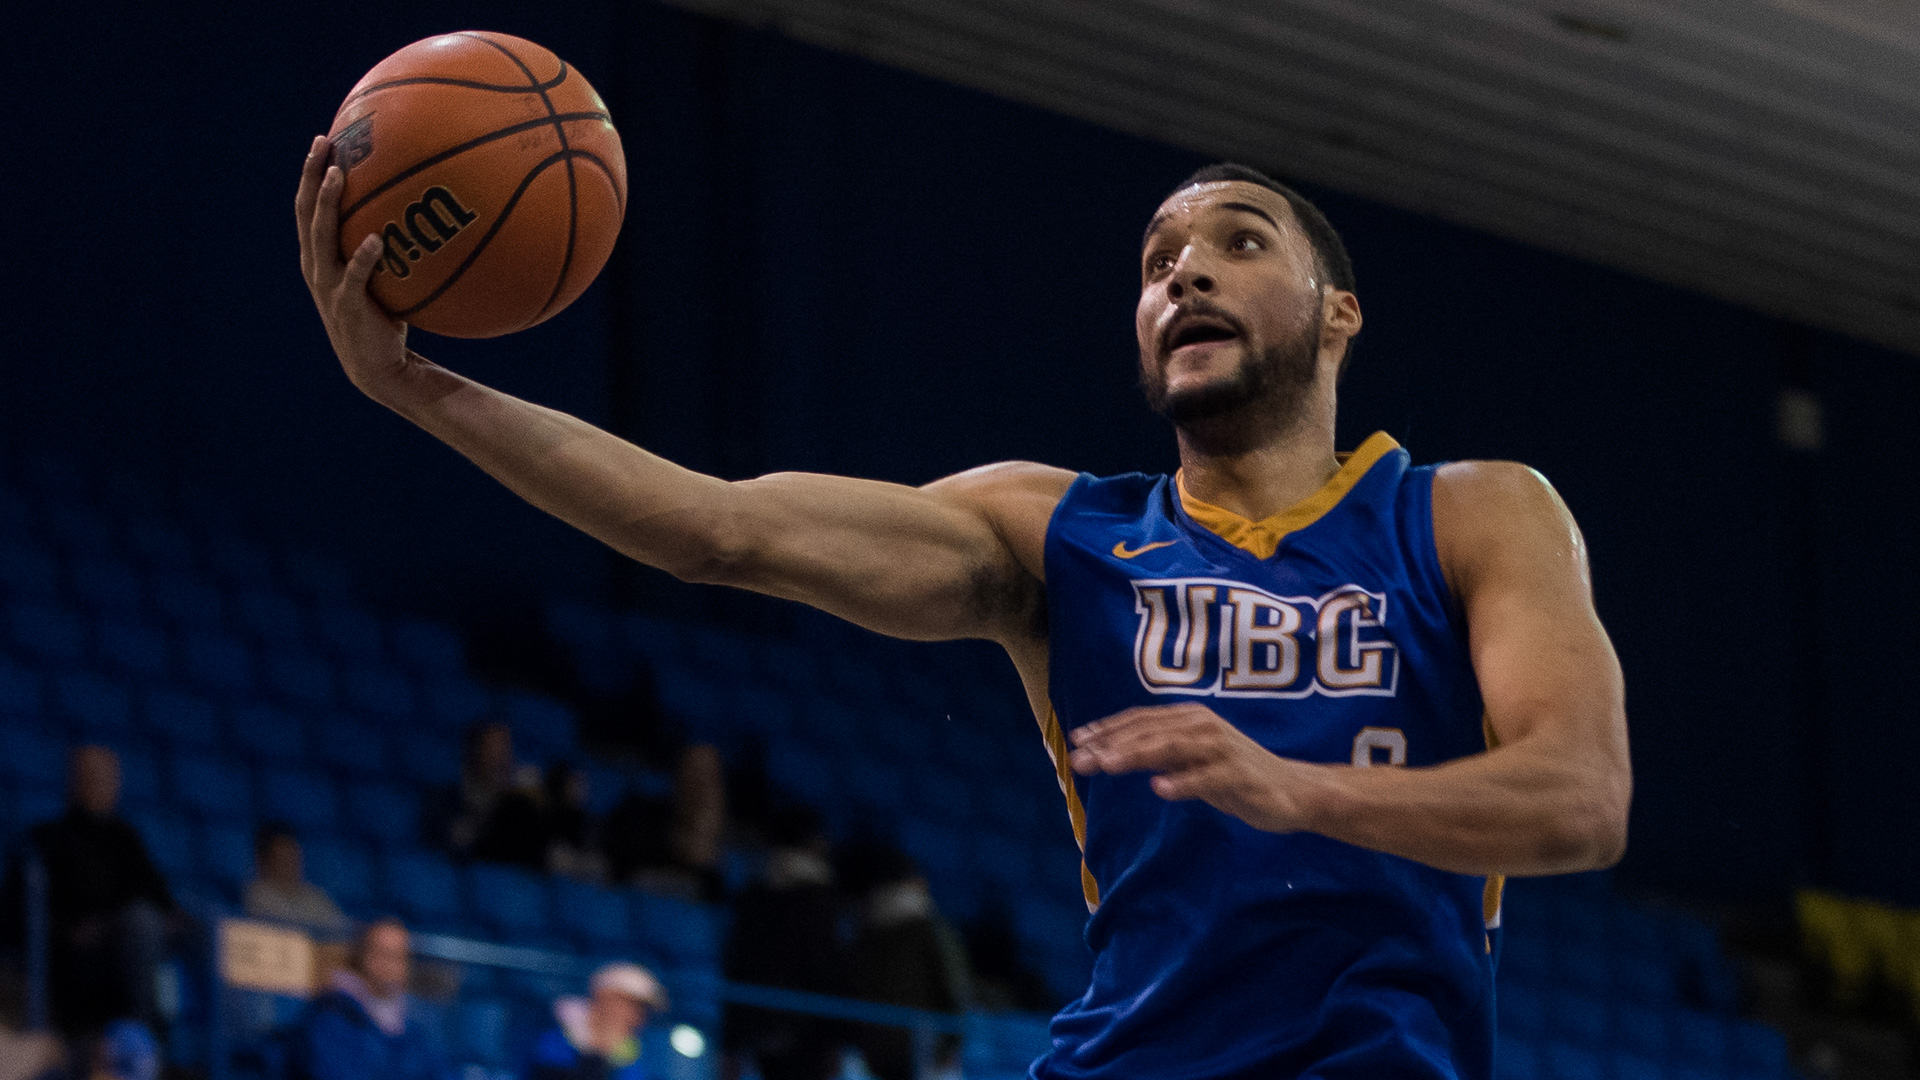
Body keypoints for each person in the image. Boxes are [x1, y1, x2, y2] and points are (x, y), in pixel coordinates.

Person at [298, 142, 1632, 1079]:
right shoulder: (1059, 533)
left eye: (1237, 242)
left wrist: (1298, 791)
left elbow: (1577, 800)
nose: (1186, 276)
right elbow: (718, 528)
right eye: (1160, 259)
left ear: (1339, 315)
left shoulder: (1470, 513)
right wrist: (417, 389)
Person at [2, 746, 178, 1039]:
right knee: (141, 924)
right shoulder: (45, 840)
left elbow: (158, 898)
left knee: (205, 933)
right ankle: (144, 1040)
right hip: (71, 960)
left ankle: (227, 1047)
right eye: (92, 777)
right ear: (74, 781)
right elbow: (18, 916)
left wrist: (172, 918)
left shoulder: (127, 839)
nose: (102, 785)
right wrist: (72, 932)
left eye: (109, 778)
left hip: (126, 947)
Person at [721, 808, 844, 1080]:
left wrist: (731, 1042)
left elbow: (737, 965)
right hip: (805, 1032)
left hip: (763, 1028)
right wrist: (833, 1038)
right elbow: (825, 969)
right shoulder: (819, 899)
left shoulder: (753, 894)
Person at [840, 843, 970, 1080]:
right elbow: (953, 989)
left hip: (871, 1050)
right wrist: (953, 1041)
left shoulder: (862, 929)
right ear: (913, 881)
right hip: (921, 1049)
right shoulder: (930, 929)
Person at [288, 917, 445, 1080]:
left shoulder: (415, 1025)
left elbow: (438, 1070)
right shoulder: (331, 1015)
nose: (391, 965)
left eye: (399, 957)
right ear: (363, 957)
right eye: (384, 954)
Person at [602, 745, 726, 903]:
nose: (702, 788)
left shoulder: (715, 872)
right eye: (695, 774)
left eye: (710, 778)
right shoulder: (639, 818)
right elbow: (617, 875)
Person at [523, 961, 669, 1080]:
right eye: (632, 1006)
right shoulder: (549, 1038)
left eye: (643, 1010)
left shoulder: (632, 1059)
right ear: (604, 997)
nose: (637, 1018)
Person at [431, 720, 545, 868]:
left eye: (505, 748)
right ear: (476, 751)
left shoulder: (520, 802)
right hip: (473, 872)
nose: (501, 757)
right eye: (493, 748)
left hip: (515, 879)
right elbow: (454, 841)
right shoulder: (450, 797)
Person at [243, 824, 350, 938]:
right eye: (282, 857)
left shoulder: (313, 895)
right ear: (264, 861)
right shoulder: (257, 894)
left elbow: (343, 928)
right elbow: (289, 935)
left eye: (293, 855)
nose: (290, 863)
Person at [541, 763, 607, 882]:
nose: (580, 788)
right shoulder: (549, 814)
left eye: (582, 784)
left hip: (579, 862)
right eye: (574, 783)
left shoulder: (587, 819)